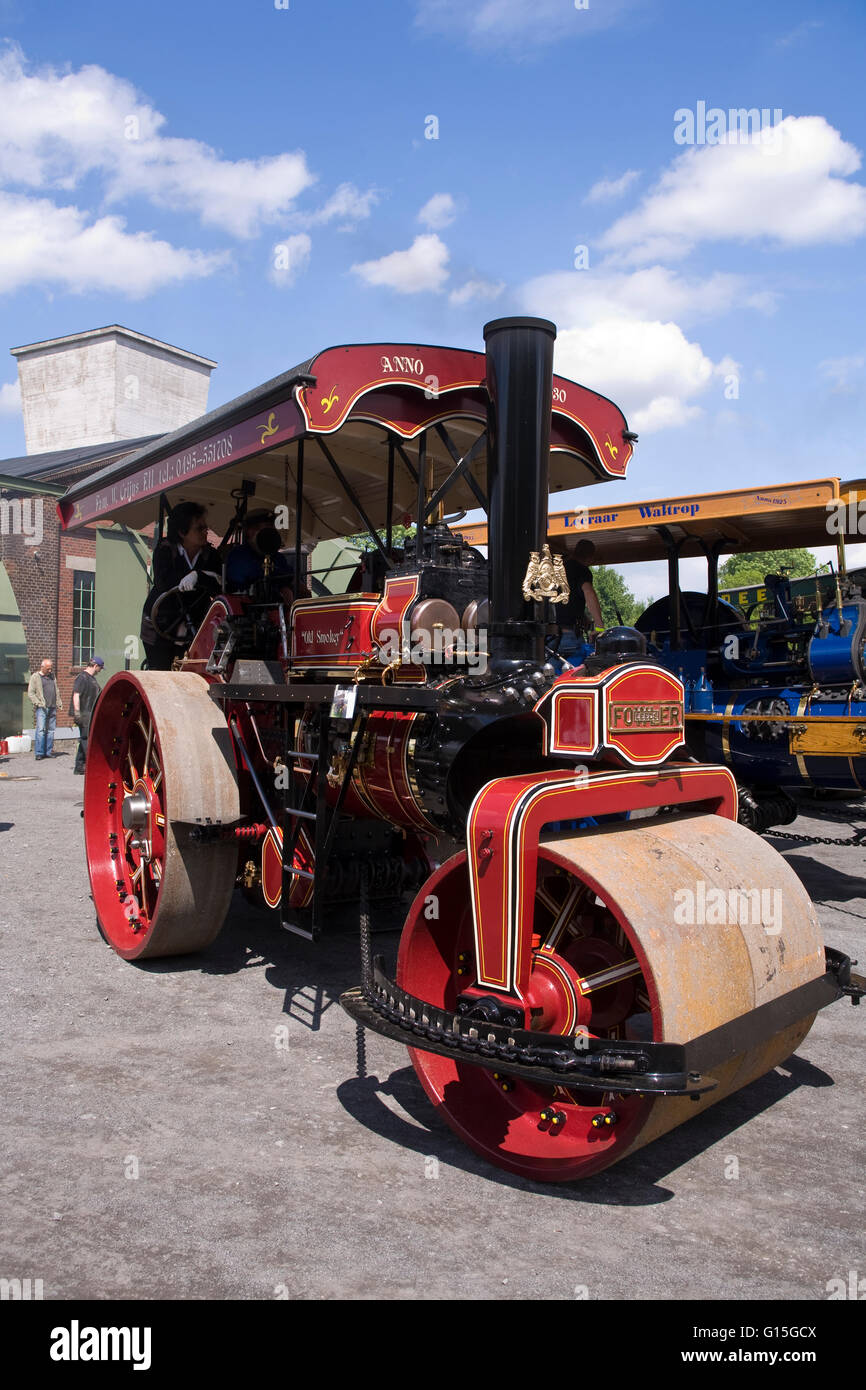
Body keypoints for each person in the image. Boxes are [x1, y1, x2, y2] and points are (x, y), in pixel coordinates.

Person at [140, 502, 222, 670]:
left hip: (194, 629)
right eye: (199, 529)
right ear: (181, 532)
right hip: (159, 627)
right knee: (161, 675)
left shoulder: (211, 555)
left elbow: (218, 585)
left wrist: (198, 575)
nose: (205, 532)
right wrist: (195, 577)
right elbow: (164, 582)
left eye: (206, 528)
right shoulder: (164, 550)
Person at [224, 508, 297, 601]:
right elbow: (250, 575)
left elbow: (289, 576)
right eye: (257, 528)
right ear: (248, 532)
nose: (265, 532)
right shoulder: (238, 555)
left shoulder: (278, 557)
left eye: (269, 527)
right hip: (248, 608)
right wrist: (282, 585)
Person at [552, 537, 605, 663]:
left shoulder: (558, 570)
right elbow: (588, 592)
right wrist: (600, 627)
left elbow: (565, 600)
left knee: (552, 678)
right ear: (590, 557)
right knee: (577, 676)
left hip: (551, 637)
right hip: (569, 636)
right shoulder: (582, 570)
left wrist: (583, 616)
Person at [72, 656, 104, 774]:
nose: (100, 671)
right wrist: (77, 713)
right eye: (100, 668)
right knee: (87, 739)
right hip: (84, 713)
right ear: (95, 666)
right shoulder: (82, 678)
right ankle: (93, 765)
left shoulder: (91, 679)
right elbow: (76, 694)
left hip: (89, 713)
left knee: (84, 739)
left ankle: (79, 767)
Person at [27, 657, 63, 760]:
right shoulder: (35, 677)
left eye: (51, 668)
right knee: (41, 730)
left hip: (52, 707)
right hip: (42, 708)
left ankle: (48, 752)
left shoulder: (52, 676)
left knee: (51, 730)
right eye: (48, 669)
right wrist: (38, 703)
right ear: (42, 667)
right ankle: (39, 753)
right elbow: (31, 693)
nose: (50, 670)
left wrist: (58, 702)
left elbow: (56, 690)